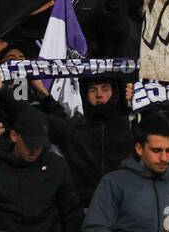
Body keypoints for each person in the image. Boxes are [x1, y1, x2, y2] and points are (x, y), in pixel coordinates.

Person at [0, 106, 82, 232]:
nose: (34, 150)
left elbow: (71, 213)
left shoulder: (56, 165)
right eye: (29, 144)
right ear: (14, 135)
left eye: (40, 145)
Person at [82, 116, 169, 232]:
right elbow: (93, 231)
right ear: (139, 149)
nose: (164, 158)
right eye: (156, 150)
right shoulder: (113, 183)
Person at [48, 74, 137, 206]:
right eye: (93, 90)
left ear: (115, 92)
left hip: (125, 207)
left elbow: (164, 133)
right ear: (85, 94)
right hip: (83, 209)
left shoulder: (130, 126)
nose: (99, 95)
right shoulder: (74, 128)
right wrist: (42, 93)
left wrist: (143, 104)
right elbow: (34, 118)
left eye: (105, 89)